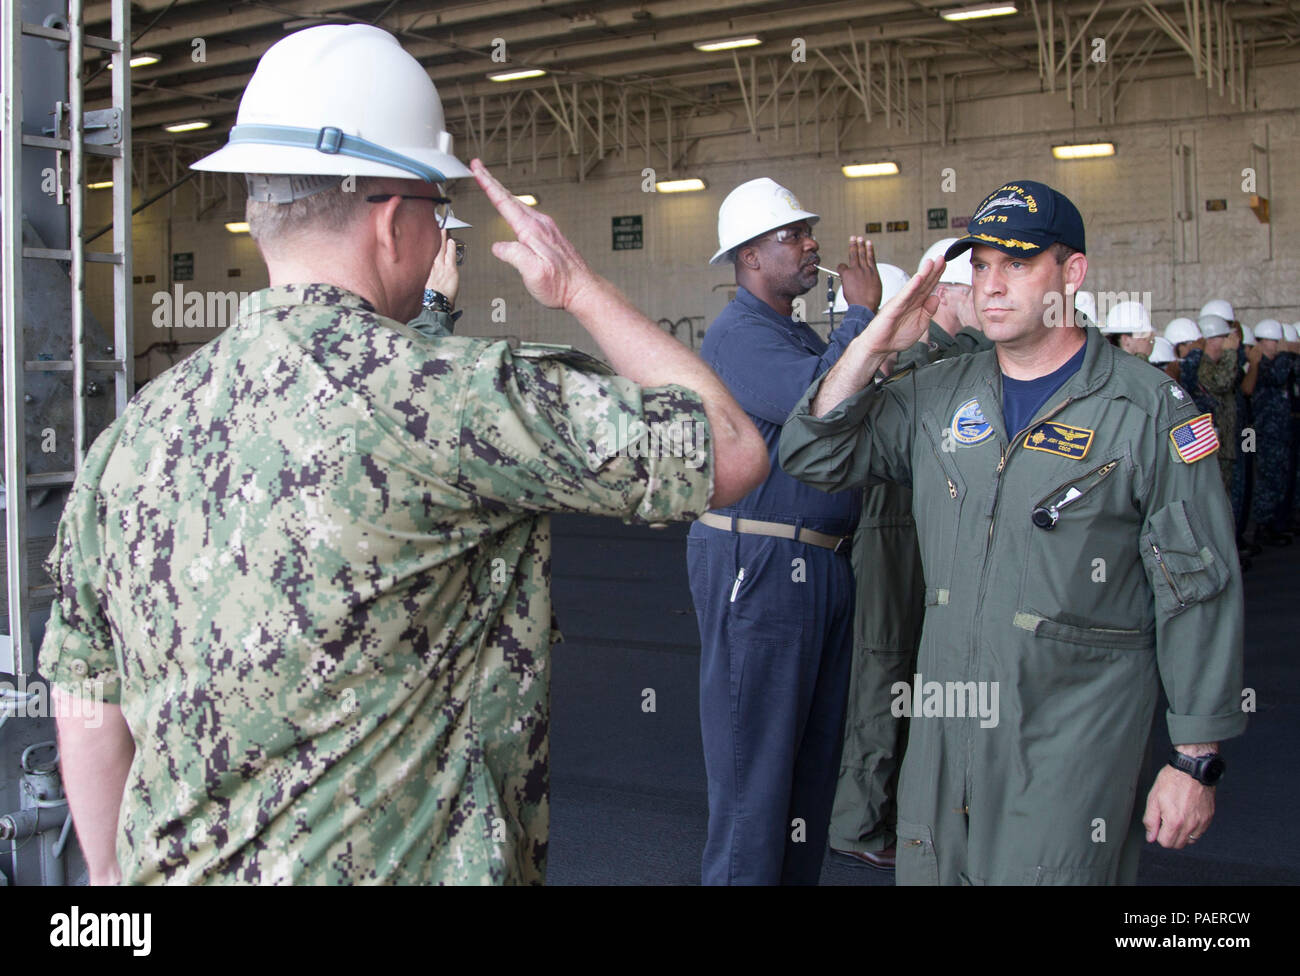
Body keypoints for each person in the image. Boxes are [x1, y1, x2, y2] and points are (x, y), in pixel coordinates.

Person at [41, 24, 769, 886]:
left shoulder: (131, 435)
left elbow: (87, 699)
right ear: (392, 224)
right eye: (435, 211)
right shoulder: (448, 398)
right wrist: (578, 286)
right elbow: (729, 448)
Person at [779, 178, 1246, 885]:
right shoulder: (938, 394)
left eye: (1018, 265)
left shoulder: (1148, 413)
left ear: (1072, 273)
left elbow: (1197, 591)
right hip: (943, 743)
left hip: (1068, 747)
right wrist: (876, 339)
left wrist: (1195, 759)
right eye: (982, 266)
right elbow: (812, 452)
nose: (992, 287)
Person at [687, 177, 881, 885]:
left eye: (807, 232)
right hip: (763, 561)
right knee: (756, 787)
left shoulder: (791, 332)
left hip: (816, 563)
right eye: (790, 235)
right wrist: (860, 317)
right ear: (746, 257)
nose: (810, 244)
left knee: (807, 776)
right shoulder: (738, 335)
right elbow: (820, 402)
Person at [830, 240, 992, 872]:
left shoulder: (965, 357)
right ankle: (857, 821)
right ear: (946, 293)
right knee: (881, 671)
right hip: (891, 528)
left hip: (930, 529)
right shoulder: (911, 362)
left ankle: (903, 810)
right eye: (975, 284)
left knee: (924, 677)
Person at [1248, 319, 1292, 546]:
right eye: (1271, 342)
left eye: (1277, 342)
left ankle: (1273, 523)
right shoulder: (1260, 365)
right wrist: (1286, 355)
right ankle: (1262, 525)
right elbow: (1278, 376)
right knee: (1265, 478)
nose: (1275, 346)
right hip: (1262, 433)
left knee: (1278, 477)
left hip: (1278, 433)